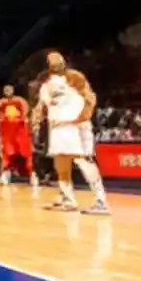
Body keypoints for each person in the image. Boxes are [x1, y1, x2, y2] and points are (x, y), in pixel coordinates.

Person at [32, 51, 110, 215]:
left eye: (57, 59)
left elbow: (90, 97)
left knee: (84, 161)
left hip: (76, 126)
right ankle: (68, 199)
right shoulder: (46, 85)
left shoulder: (74, 77)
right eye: (51, 60)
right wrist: (36, 122)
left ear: (64, 62)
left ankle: (101, 201)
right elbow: (41, 106)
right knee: (61, 164)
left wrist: (83, 117)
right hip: (58, 128)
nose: (54, 62)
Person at [0, 84, 37, 188]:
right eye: (6, 90)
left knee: (26, 154)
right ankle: (6, 175)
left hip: (20, 131)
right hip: (7, 133)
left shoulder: (20, 100)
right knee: (7, 155)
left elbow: (26, 111)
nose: (8, 91)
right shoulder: (2, 102)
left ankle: (33, 175)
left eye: (9, 89)